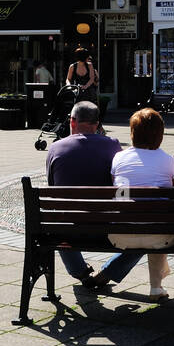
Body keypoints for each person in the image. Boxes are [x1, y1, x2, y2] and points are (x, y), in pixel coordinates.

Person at [89, 108, 174, 302]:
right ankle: (156, 287)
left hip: (120, 234)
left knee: (145, 223)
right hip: (160, 236)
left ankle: (151, 285)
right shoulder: (169, 160)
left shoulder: (118, 158)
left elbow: (119, 191)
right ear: (160, 134)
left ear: (133, 133)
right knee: (157, 225)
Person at [44, 100, 124, 285]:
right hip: (108, 230)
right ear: (97, 124)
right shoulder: (113, 145)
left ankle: (80, 272)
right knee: (146, 235)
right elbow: (120, 185)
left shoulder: (56, 148)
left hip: (70, 231)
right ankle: (108, 272)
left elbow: (52, 189)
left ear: (72, 121)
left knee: (57, 222)